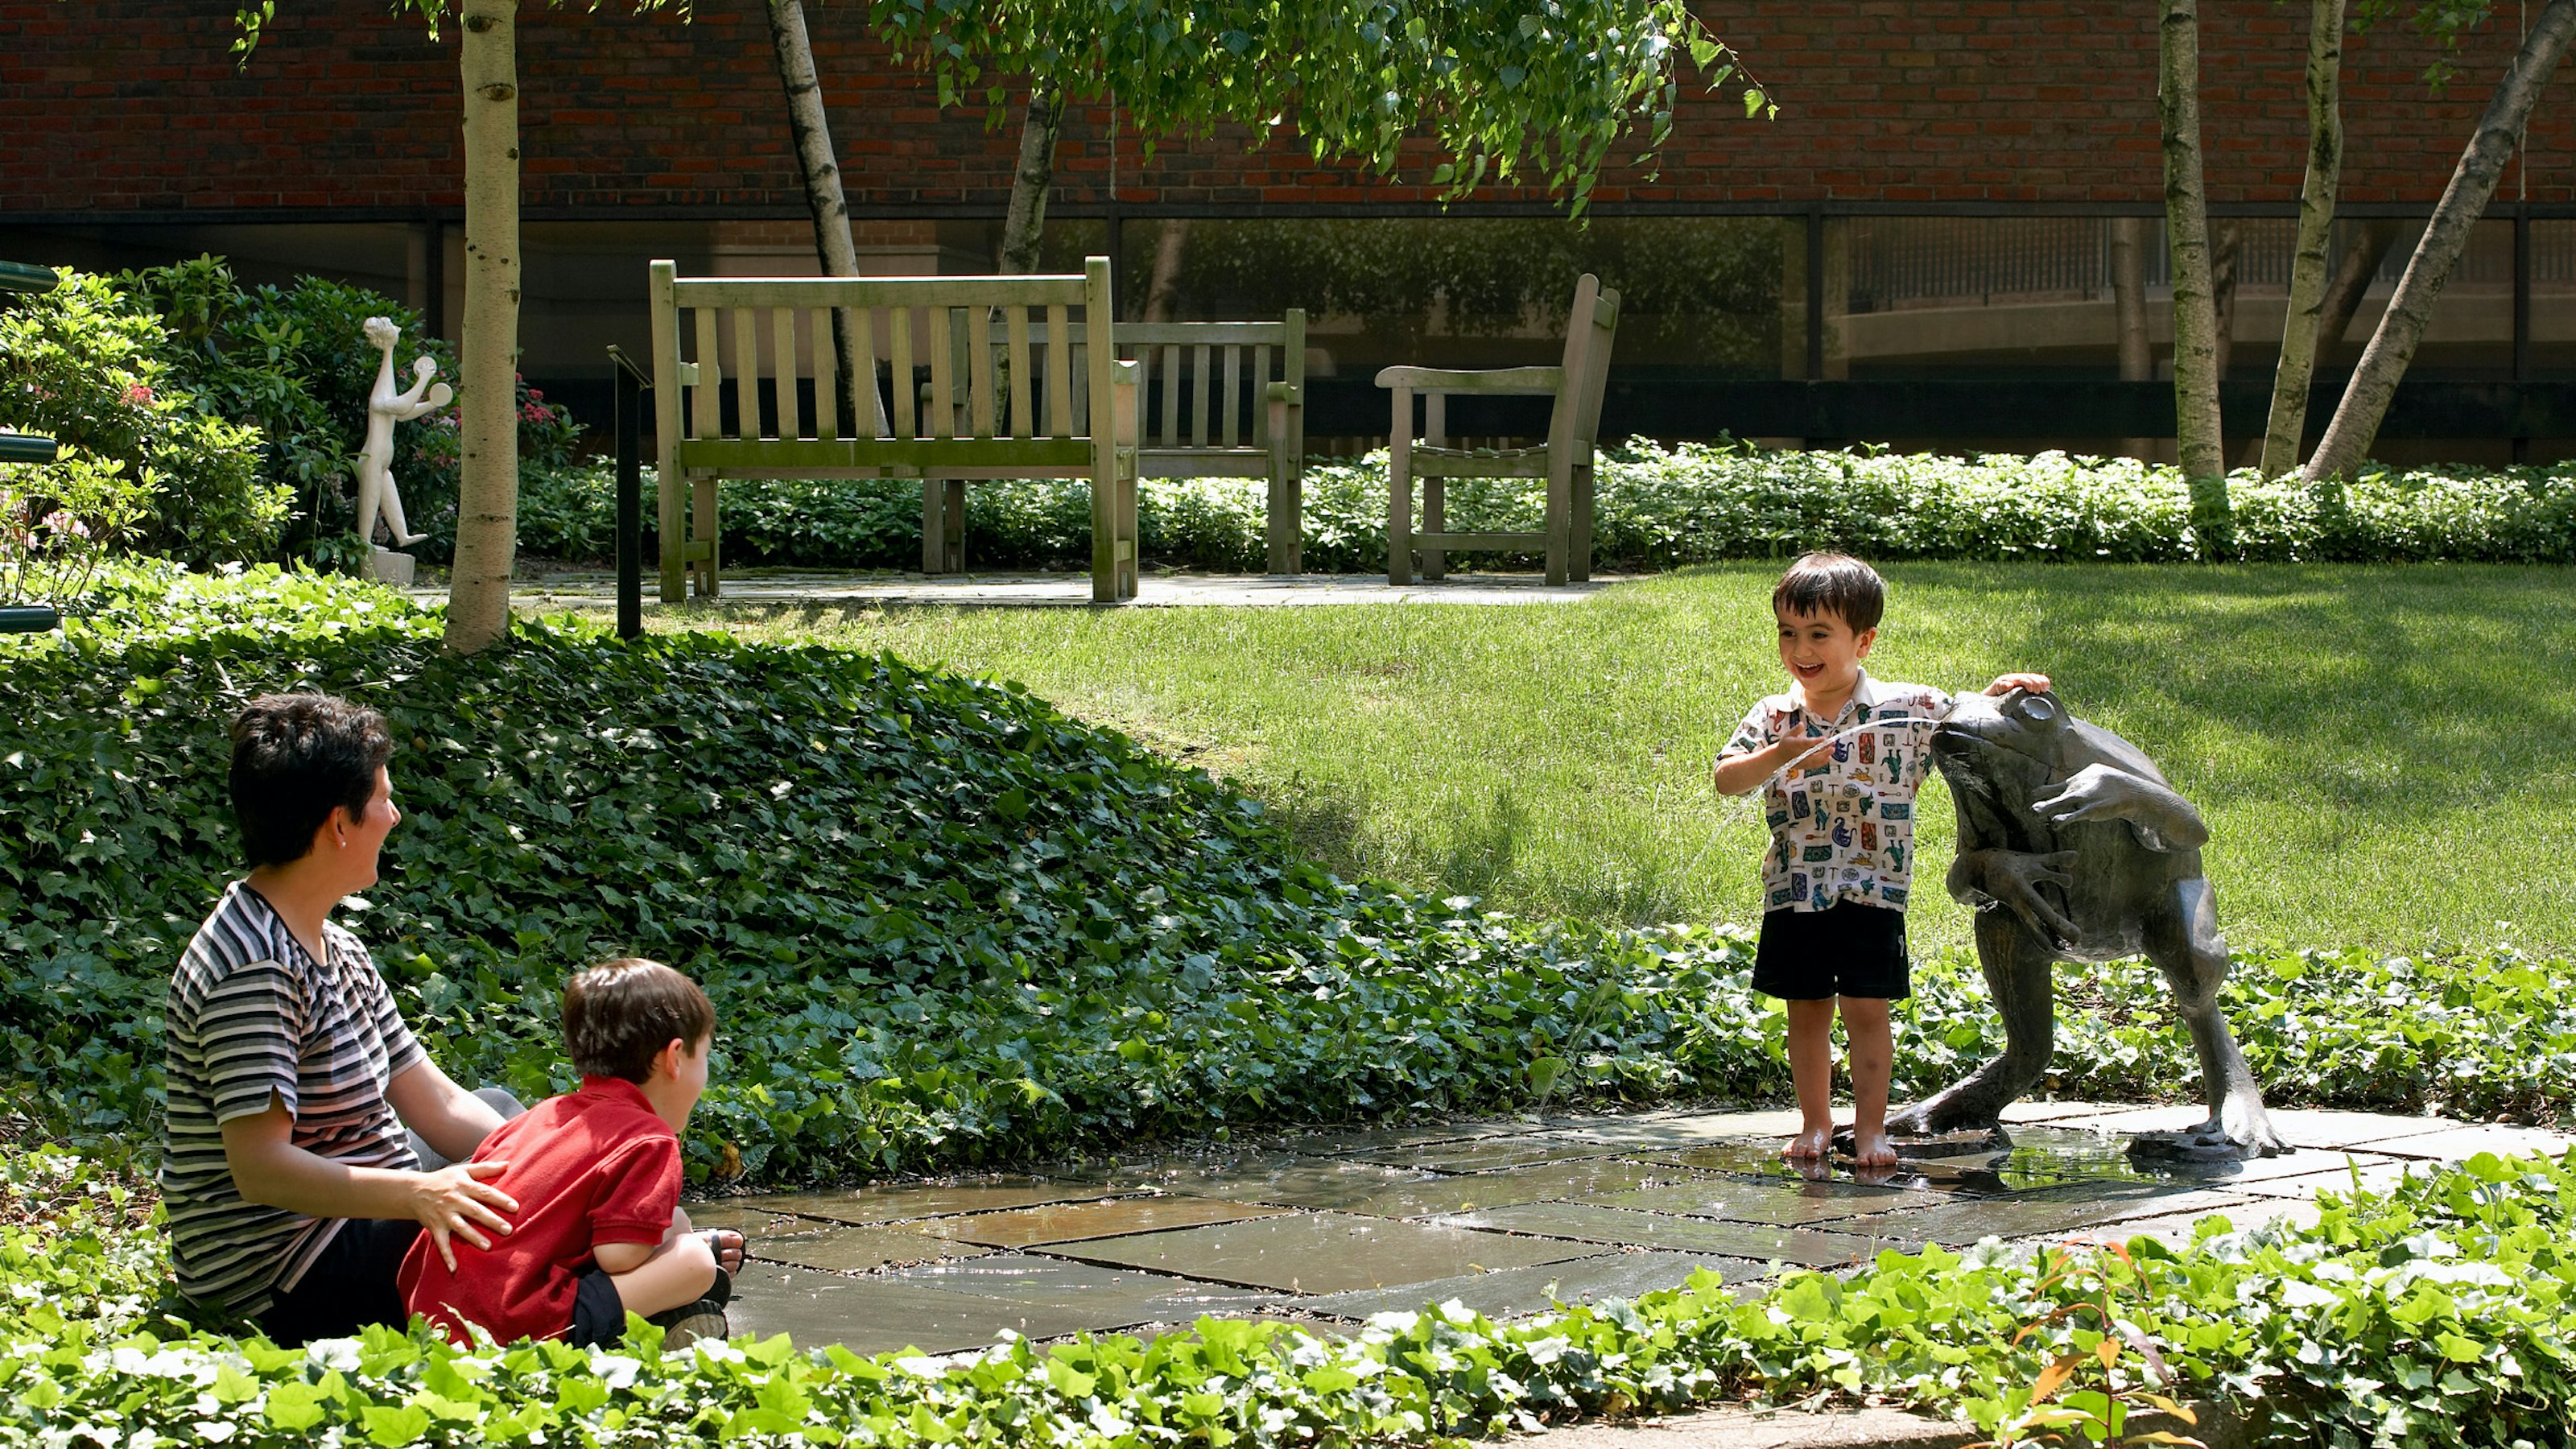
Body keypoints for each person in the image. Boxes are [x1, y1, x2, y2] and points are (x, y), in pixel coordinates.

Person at [163, 693, 523, 1344]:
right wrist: (418, 1196)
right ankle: (643, 1292)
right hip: (283, 1266)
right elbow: (262, 1168)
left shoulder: (336, 945)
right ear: (338, 824)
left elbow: (436, 1101)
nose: (394, 814)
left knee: (500, 1121)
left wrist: (561, 1164)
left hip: (362, 1204)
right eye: (383, 797)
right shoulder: (255, 967)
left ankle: (637, 1258)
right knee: (502, 1228)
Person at [1711, 554, 2050, 1167]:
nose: (1800, 648)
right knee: (1806, 1011)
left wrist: (2005, 691)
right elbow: (1726, 780)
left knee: (1867, 1009)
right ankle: (1816, 1124)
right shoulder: (1775, 716)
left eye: (1819, 634)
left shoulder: (1905, 708)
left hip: (1875, 888)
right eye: (1789, 632)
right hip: (1796, 889)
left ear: (1863, 640)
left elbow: (1975, 720)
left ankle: (1870, 1131)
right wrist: (1779, 756)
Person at [398, 959, 744, 1348]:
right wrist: (674, 1229)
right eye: (705, 1056)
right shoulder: (650, 1139)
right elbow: (618, 1258)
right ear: (675, 1058)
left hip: (431, 1313)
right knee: (695, 1264)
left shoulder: (545, 1115)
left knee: (675, 1230)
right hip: (510, 1325)